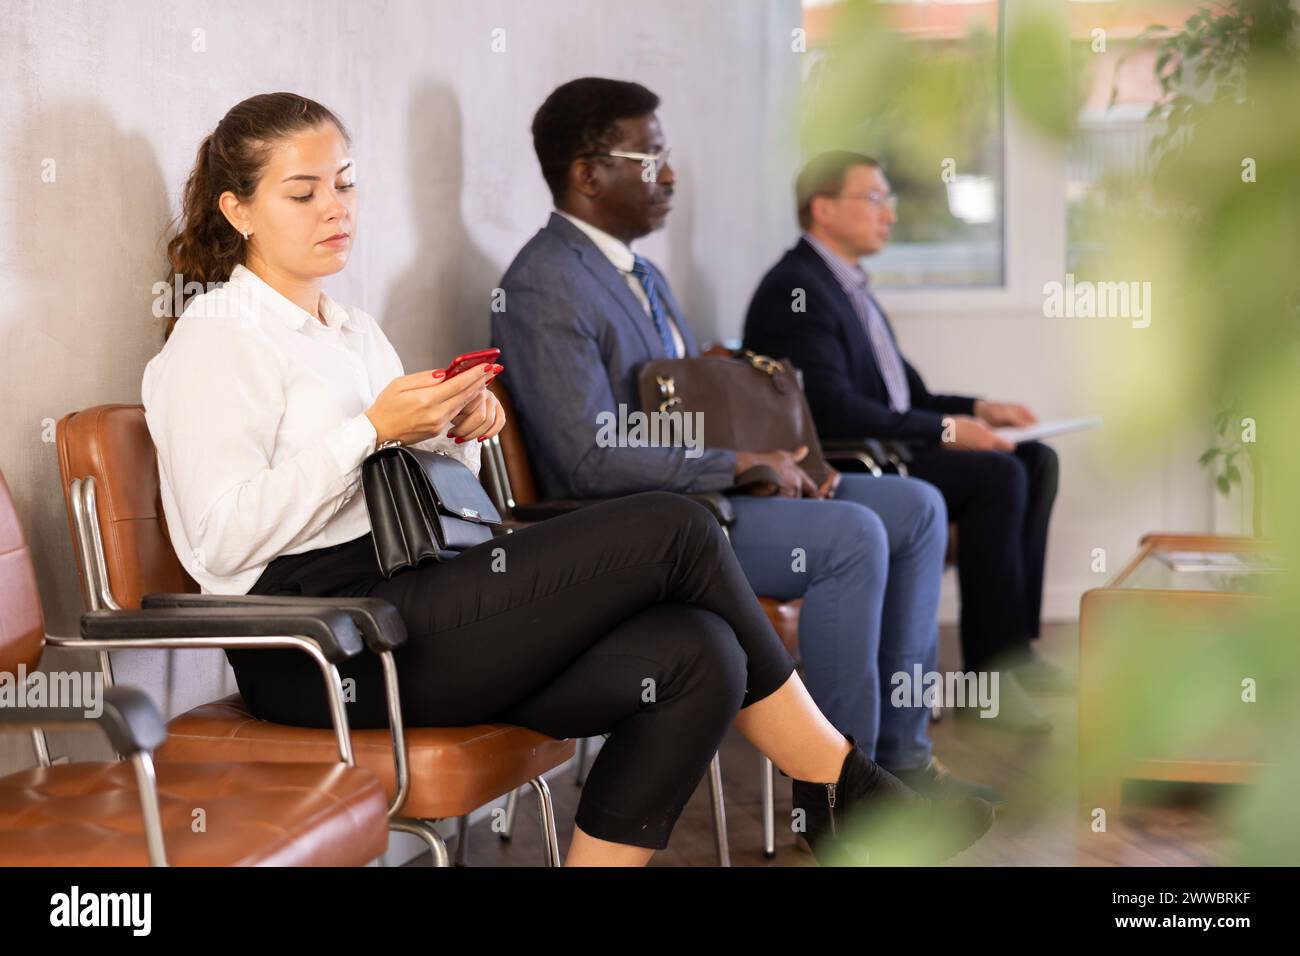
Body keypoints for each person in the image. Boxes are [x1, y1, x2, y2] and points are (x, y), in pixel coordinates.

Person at [140, 92, 993, 867]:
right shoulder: (217, 338)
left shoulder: (350, 329)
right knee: (677, 525)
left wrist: (457, 435)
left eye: (347, 184)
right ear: (238, 209)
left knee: (701, 655)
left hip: (413, 596)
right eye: (304, 192)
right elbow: (219, 543)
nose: (335, 207)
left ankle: (837, 794)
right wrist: (369, 431)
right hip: (325, 644)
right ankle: (847, 789)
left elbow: (402, 488)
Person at [492, 77, 1000, 803]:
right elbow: (588, 458)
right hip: (634, 526)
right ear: (586, 173)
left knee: (916, 507)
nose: (668, 174)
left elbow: (682, 401)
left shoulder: (642, 273)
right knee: (851, 536)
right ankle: (840, 795)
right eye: (650, 158)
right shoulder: (546, 283)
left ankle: (902, 761)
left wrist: (792, 461)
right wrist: (739, 463)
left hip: (701, 495)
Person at [743, 151, 1069, 734]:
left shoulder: (850, 287)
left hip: (892, 445)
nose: (889, 214)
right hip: (856, 461)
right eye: (874, 198)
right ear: (823, 208)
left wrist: (975, 410)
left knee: (1034, 457)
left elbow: (902, 395)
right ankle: (988, 679)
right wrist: (947, 431)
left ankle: (1014, 651)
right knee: (999, 476)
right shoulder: (796, 289)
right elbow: (831, 409)